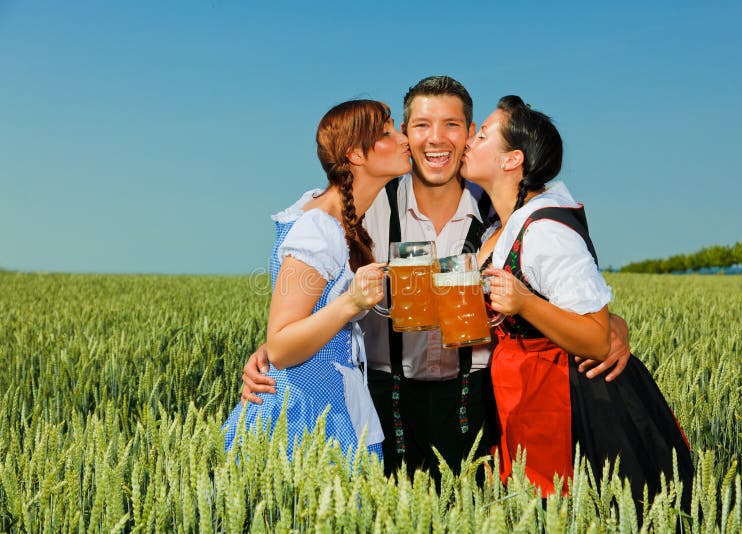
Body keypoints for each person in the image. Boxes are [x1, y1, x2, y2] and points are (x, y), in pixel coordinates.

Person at [239, 77, 634, 481]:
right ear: (407, 136)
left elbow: (566, 275)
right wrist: (274, 351)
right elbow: (309, 283)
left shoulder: (504, 208)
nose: (435, 139)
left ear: (469, 135)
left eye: (452, 125)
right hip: (382, 398)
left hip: (476, 399)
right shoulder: (367, 207)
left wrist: (613, 326)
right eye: (421, 125)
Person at [462, 95, 693, 506]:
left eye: (481, 135)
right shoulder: (500, 226)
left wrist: (526, 304)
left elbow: (596, 339)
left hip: (574, 401)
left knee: (580, 508)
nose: (468, 142)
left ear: (511, 160)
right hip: (522, 390)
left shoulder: (546, 230)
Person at [222, 99, 412, 462]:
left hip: (326, 402)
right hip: (303, 416)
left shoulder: (340, 221)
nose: (403, 139)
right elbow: (280, 346)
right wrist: (351, 304)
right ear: (356, 154)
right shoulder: (318, 228)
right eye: (388, 132)